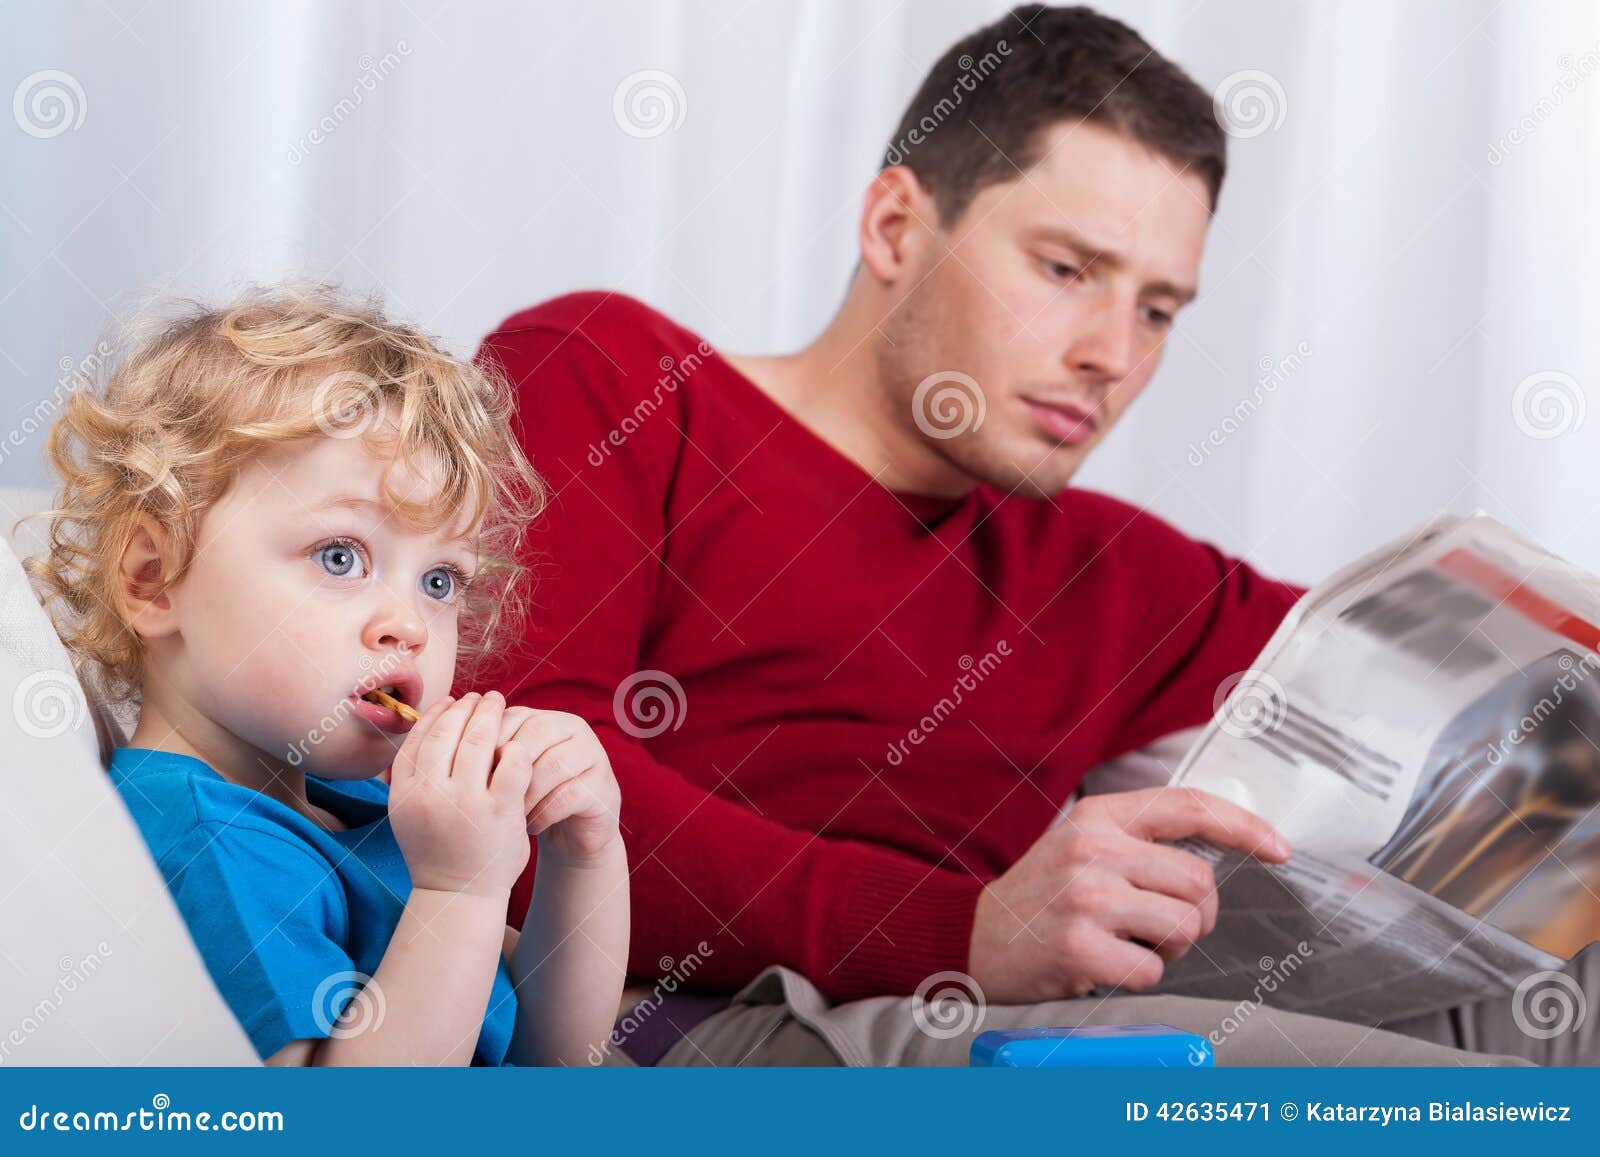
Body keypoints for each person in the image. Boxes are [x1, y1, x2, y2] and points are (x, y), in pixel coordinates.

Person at [478, 5, 1600, 1066]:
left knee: (1567, 982)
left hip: (981, 1014)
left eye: (1157, 309)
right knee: (1416, 1099)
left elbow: (1439, 683)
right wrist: (960, 927)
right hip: (703, 1015)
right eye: (1067, 271)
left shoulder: (1111, 570)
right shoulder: (615, 376)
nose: (1113, 352)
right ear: (895, 227)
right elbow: (513, 792)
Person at [29, 286, 629, 1066]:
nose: (409, 625)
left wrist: (586, 853)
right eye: (340, 556)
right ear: (153, 578)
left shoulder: (371, 803)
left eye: (440, 579)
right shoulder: (208, 843)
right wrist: (461, 891)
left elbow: (560, 1053)